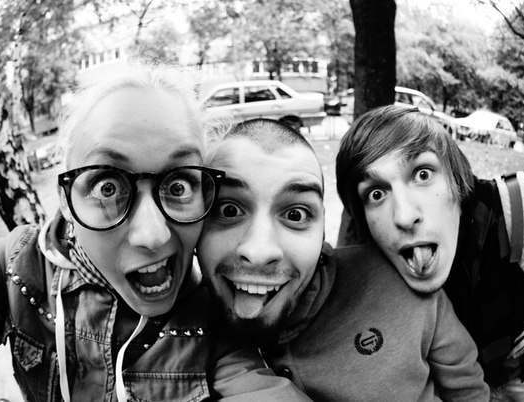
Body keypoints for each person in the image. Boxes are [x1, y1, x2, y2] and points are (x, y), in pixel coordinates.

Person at [0, 63, 310, 402]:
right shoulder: (14, 268)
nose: (152, 236)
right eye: (108, 187)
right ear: (66, 201)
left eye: (178, 186)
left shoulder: (213, 318)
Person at [197, 118, 489, 401]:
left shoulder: (401, 287)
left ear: (322, 229)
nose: (259, 252)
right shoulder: (189, 320)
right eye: (229, 210)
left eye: (295, 215)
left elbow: (468, 388)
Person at [335, 104, 524, 400]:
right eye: (376, 193)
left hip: (520, 374)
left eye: (422, 174)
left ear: (456, 178)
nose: (404, 216)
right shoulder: (372, 265)